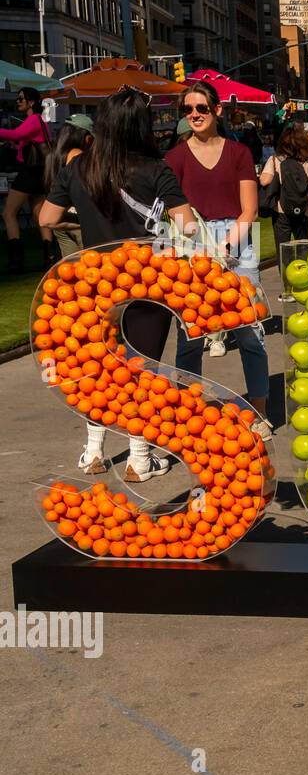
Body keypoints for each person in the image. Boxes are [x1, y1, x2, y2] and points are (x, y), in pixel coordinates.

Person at [40, 86, 196, 482]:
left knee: (97, 367)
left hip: (93, 285)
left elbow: (46, 218)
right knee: (142, 370)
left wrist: (85, 222)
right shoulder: (155, 168)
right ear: (141, 126)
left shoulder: (76, 168)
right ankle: (139, 458)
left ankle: (93, 451)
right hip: (145, 284)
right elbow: (188, 225)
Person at [164, 81, 271, 436]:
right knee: (190, 334)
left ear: (217, 111)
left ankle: (259, 413)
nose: (194, 115)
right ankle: (186, 412)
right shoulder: (175, 158)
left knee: (249, 331)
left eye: (201, 109)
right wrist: (202, 245)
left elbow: (249, 210)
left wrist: (225, 248)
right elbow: (173, 210)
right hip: (191, 240)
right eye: (188, 110)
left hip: (238, 240)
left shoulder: (239, 154)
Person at [2, 87, 54, 273]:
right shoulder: (39, 121)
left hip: (29, 174)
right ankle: (49, 258)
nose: (17, 101)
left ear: (31, 102)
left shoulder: (33, 119)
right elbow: (22, 142)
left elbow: (16, 135)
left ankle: (16, 260)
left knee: (8, 213)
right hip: (39, 173)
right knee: (39, 215)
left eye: (21, 98)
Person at [260, 125, 308, 255]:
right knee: (303, 248)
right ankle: (303, 273)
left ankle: (286, 275)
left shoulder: (275, 160)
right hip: (303, 211)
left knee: (283, 250)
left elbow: (264, 181)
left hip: (281, 210)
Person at [42, 115, 94, 258]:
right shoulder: (79, 158)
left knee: (70, 273)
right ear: (86, 138)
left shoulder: (52, 156)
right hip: (80, 221)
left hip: (59, 221)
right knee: (90, 270)